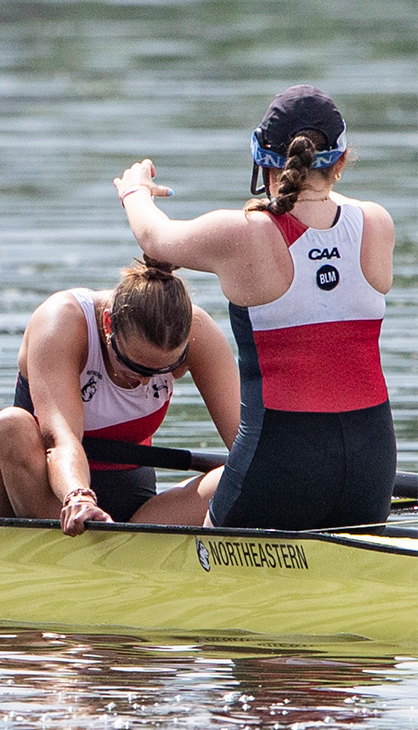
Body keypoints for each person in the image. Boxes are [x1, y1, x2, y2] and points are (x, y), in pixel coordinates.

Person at [114, 85, 396, 530]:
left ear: (262, 161)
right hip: (372, 463)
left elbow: (153, 238)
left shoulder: (245, 234)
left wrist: (135, 190)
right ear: (341, 162)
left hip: (280, 464)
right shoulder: (376, 224)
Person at [0, 259, 240, 536]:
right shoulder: (63, 321)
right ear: (108, 323)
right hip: (47, 496)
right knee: (10, 424)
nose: (147, 380)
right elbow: (60, 440)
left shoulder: (196, 332)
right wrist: (78, 496)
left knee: (246, 474)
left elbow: (246, 443)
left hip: (136, 508)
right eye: (134, 366)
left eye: (164, 369)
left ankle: (119, 547)